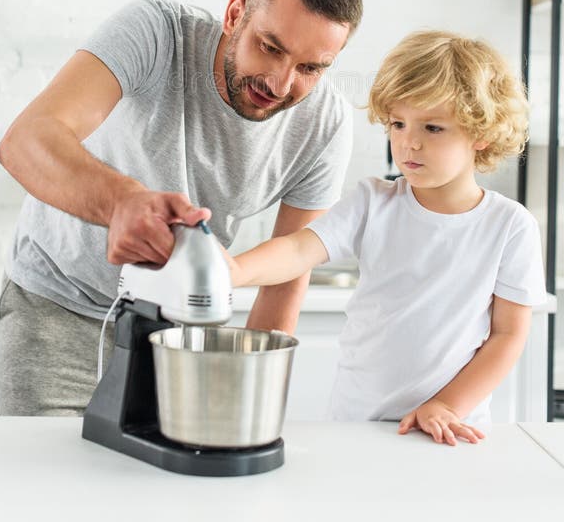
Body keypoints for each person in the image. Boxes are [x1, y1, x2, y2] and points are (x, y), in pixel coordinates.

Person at [0, 0, 363, 415]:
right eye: (270, 48)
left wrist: (249, 398)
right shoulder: (156, 33)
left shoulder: (325, 123)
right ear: (235, 13)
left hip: (181, 339)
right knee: (58, 485)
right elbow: (26, 140)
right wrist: (121, 202)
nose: (280, 82)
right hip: (59, 313)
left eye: (310, 68)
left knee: (171, 490)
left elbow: (289, 273)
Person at [226, 30, 547, 446]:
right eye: (398, 123)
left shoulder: (510, 225)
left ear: (480, 133)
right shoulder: (373, 201)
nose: (408, 142)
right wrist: (232, 270)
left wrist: (448, 405)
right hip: (356, 424)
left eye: (432, 127)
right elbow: (298, 247)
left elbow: (509, 335)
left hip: (447, 428)